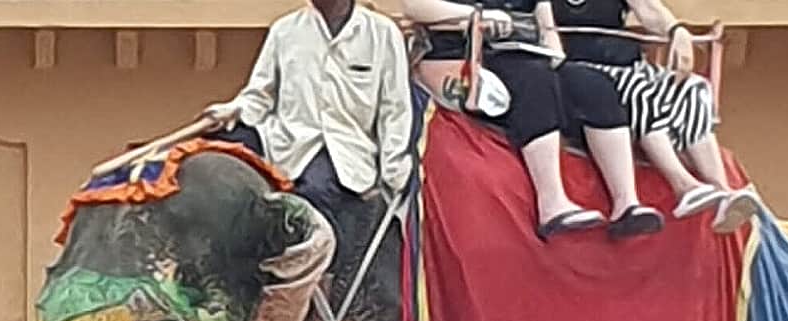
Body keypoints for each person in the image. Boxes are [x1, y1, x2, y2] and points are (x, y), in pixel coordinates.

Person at [404, 0, 664, 240]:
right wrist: (476, 16)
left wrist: (556, 58)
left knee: (593, 85)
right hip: (459, 57)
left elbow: (544, 20)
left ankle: (626, 202)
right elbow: (415, 6)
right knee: (534, 80)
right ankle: (551, 202)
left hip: (521, 51)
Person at [549, 0, 760, 233]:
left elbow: (648, 8)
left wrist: (675, 30)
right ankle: (683, 185)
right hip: (581, 75)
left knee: (693, 88)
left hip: (631, 65)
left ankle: (723, 191)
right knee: (637, 89)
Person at [198, 0, 414, 222]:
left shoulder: (383, 33)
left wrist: (395, 170)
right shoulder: (284, 30)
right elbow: (259, 96)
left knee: (314, 197)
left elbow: (394, 110)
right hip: (286, 144)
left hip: (345, 153)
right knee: (209, 159)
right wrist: (232, 110)